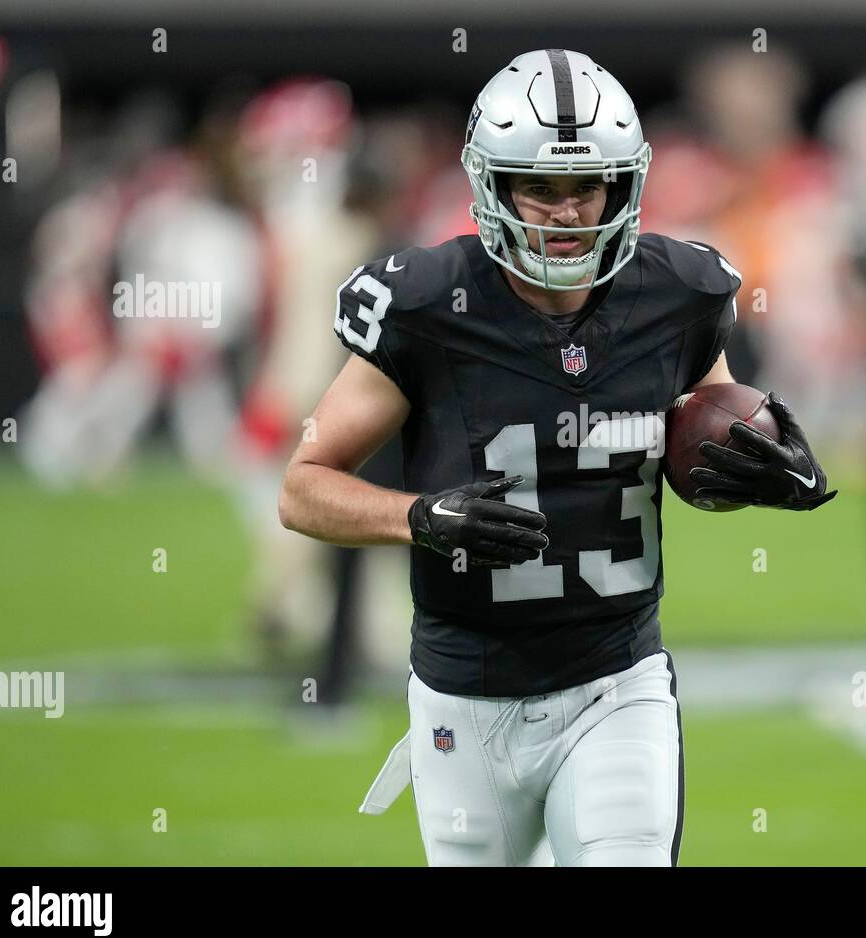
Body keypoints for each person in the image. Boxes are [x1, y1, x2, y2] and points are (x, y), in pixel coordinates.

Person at [278, 49, 836, 866]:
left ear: (624, 185)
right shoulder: (429, 303)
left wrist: (779, 468)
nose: (567, 212)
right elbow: (302, 490)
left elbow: (711, 432)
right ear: (492, 187)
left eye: (587, 187)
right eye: (540, 187)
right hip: (464, 694)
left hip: (617, 683)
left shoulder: (680, 296)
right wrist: (419, 517)